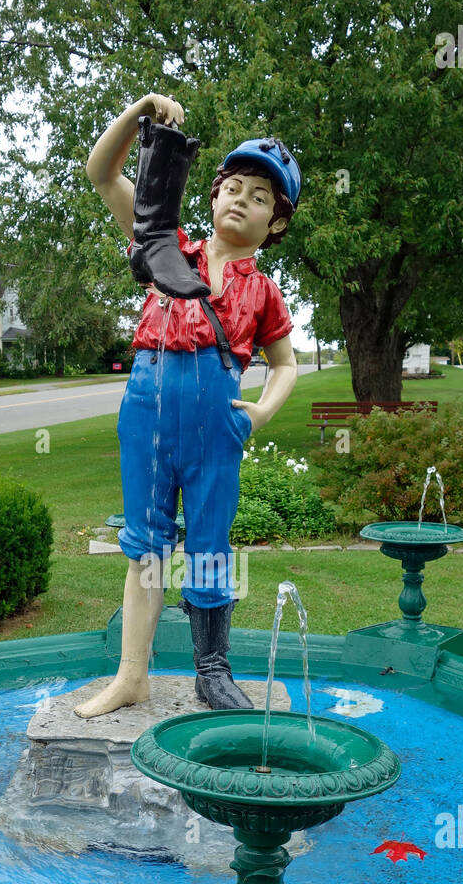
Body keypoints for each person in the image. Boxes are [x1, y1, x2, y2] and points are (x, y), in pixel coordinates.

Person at [75, 92, 299, 719]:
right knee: (145, 544)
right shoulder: (163, 245)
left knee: (207, 544)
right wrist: (137, 114)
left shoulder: (265, 292)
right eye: (235, 186)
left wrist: (258, 412)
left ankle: (213, 671)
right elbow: (102, 174)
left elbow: (285, 365)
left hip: (215, 424)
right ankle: (131, 676)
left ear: (275, 224)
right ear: (214, 193)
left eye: (261, 198)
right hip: (146, 411)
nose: (243, 201)